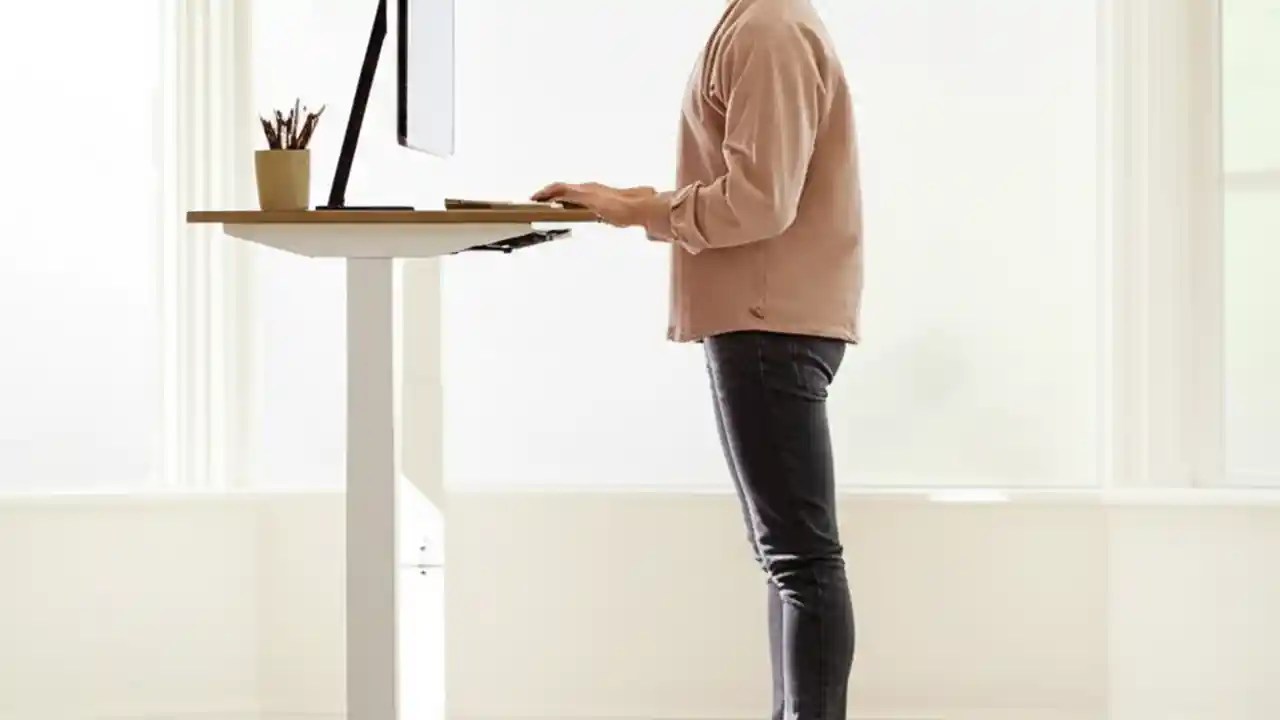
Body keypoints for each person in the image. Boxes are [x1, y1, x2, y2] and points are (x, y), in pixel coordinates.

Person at [533, 0, 861, 717]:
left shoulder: (767, 29)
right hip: (765, 316)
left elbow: (759, 202)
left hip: (768, 321)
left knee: (800, 560)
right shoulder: (758, 22)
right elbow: (748, 182)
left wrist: (637, 213)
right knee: (790, 561)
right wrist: (622, 200)